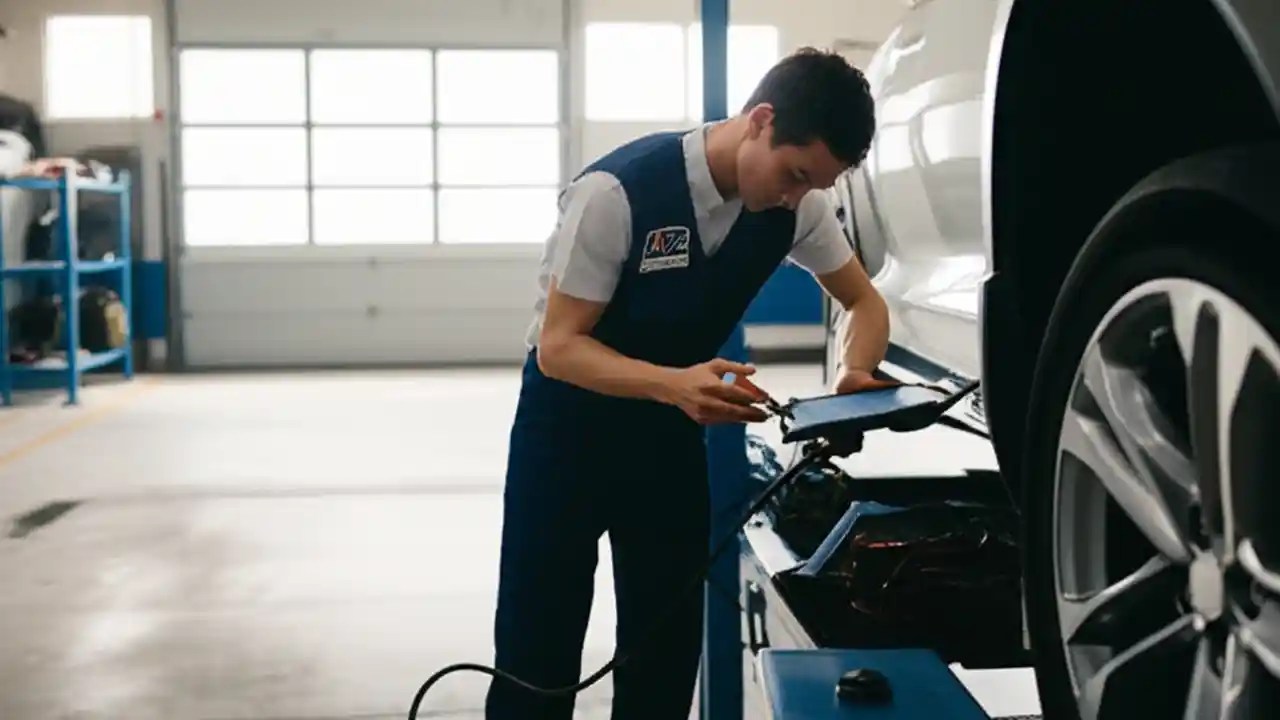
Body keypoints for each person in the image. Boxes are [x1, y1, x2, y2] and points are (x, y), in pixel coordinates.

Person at [486, 47, 890, 720]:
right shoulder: (616, 195)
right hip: (567, 430)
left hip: (666, 435)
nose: (796, 196)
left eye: (814, 185)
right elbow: (559, 348)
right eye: (794, 174)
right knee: (538, 648)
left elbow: (865, 304)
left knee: (664, 649)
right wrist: (674, 385)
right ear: (760, 120)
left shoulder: (798, 209)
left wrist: (855, 370)